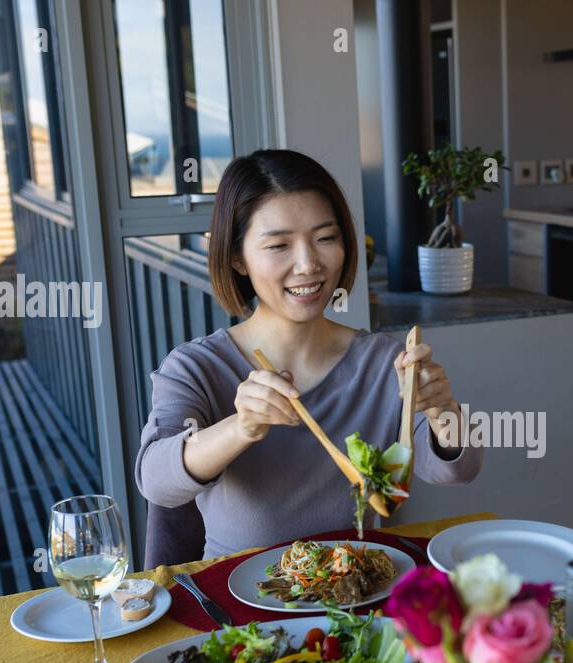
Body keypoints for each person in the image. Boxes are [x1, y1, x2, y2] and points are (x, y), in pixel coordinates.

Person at [136, 149, 482, 557]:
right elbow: (157, 480)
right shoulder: (196, 367)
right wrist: (241, 427)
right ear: (237, 258)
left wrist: (442, 410)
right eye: (279, 245)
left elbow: (458, 469)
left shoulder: (383, 361)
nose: (308, 264)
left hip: (354, 590)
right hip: (238, 604)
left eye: (325, 238)